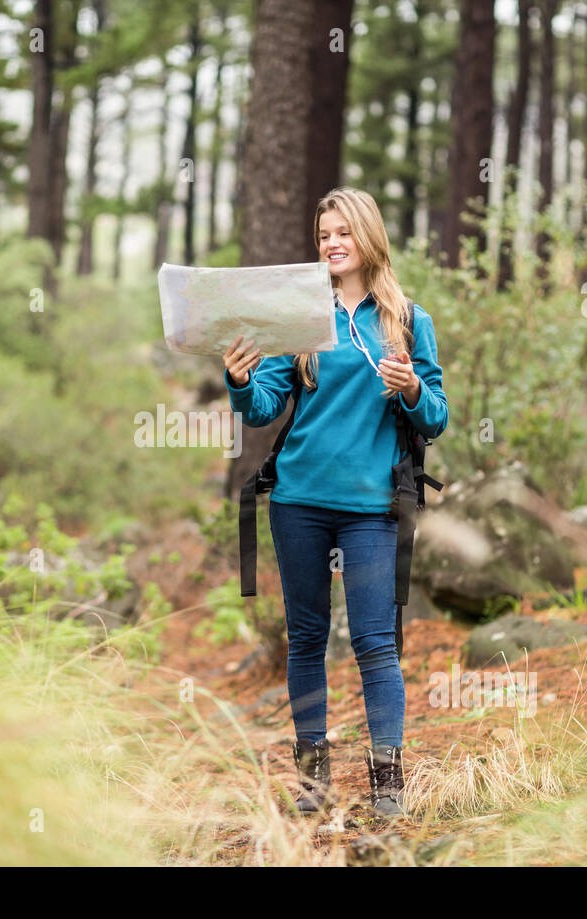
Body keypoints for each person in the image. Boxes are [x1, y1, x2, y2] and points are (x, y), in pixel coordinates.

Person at [221, 185, 448, 818]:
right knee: (306, 640)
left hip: (372, 504)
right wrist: (240, 380)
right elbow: (264, 407)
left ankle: (387, 782)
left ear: (368, 236)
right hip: (298, 502)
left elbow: (436, 416)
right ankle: (313, 778)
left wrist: (409, 390)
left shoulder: (406, 318)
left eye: (342, 232)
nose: (332, 244)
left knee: (377, 643)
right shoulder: (298, 316)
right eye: (323, 235)